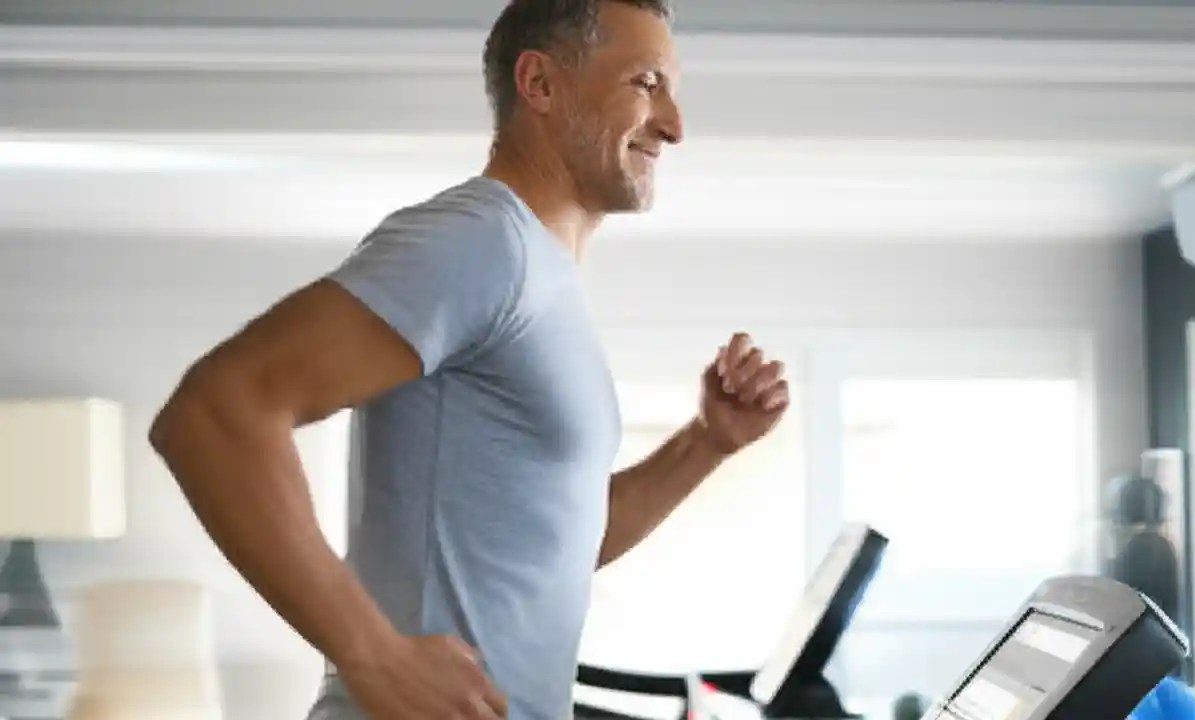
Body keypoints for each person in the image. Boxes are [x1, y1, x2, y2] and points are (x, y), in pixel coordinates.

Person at [147, 1, 792, 719]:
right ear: (540, 84)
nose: (674, 125)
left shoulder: (538, 275)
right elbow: (214, 414)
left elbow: (554, 549)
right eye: (646, 83)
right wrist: (374, 654)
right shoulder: (483, 242)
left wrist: (707, 444)